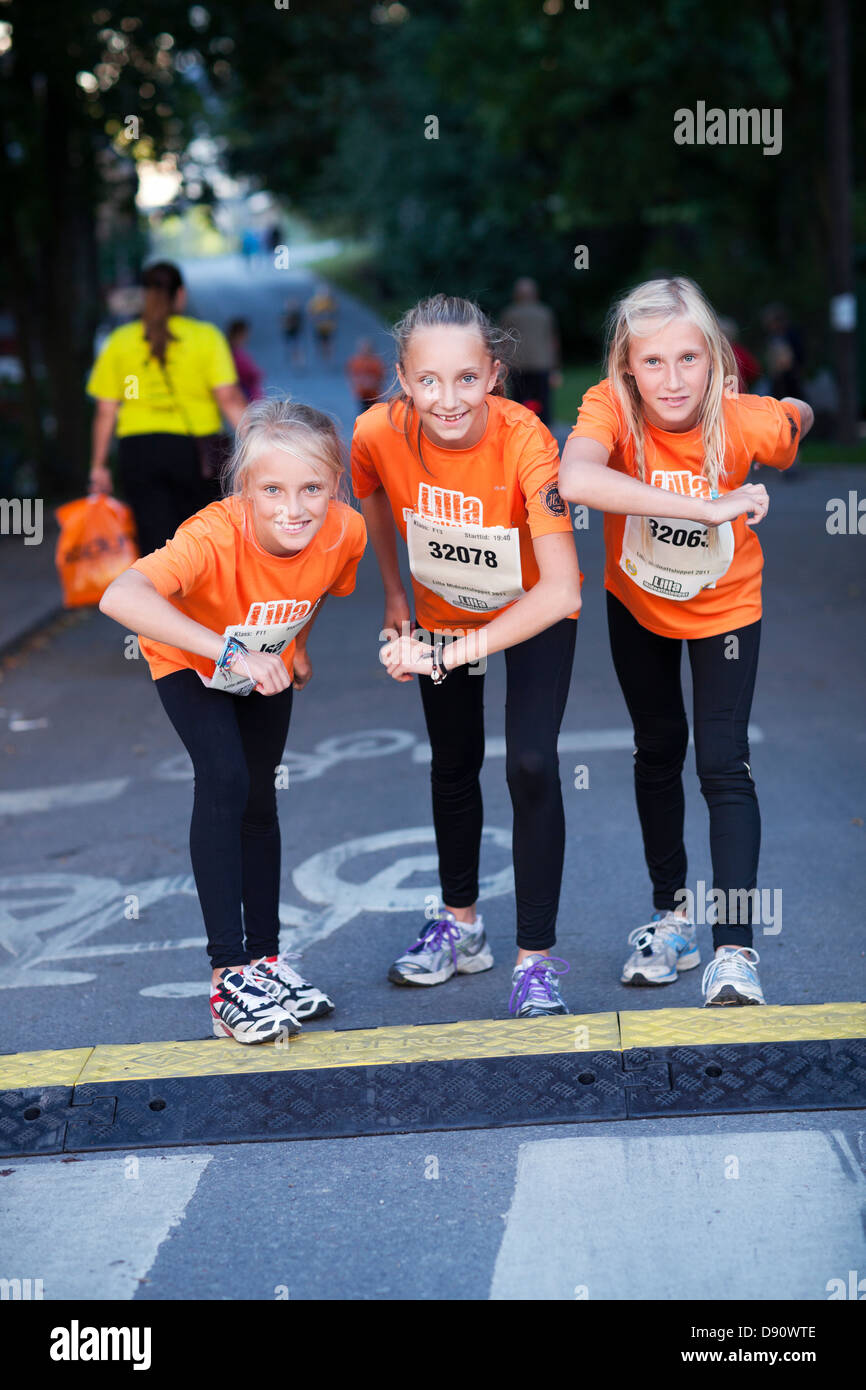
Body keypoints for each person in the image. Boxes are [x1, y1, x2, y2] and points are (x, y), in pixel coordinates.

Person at [559, 276, 813, 1006]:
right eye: (653, 362)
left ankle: (734, 951)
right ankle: (671, 918)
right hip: (637, 602)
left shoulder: (741, 419)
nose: (672, 381)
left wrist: (789, 410)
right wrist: (706, 508)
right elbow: (577, 479)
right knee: (657, 749)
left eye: (689, 360)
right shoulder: (610, 409)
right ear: (626, 367)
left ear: (719, 364)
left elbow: (795, 420)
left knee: (723, 766)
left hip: (726, 609)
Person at [98, 399, 367, 1043]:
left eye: (312, 488)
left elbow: (317, 590)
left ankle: (267, 963)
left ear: (337, 486)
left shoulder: (345, 532)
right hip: (191, 660)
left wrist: (294, 649)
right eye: (272, 489)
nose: (293, 507)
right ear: (244, 489)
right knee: (223, 779)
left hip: (266, 657)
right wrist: (230, 650)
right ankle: (228, 980)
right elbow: (120, 595)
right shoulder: (210, 535)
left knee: (259, 799)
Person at [351, 294, 582, 1018]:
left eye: (465, 379)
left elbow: (564, 587)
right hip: (444, 610)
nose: (446, 400)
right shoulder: (375, 432)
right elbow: (374, 498)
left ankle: (536, 961)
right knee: (454, 762)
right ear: (401, 378)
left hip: (533, 611)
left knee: (532, 762)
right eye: (427, 381)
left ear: (494, 376)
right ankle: (462, 925)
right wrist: (394, 594)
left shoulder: (527, 441)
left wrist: (459, 653)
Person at [87, 262, 247, 555]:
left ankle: (160, 600)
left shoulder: (120, 342)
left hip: (138, 451)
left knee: (154, 545)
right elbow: (230, 399)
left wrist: (98, 467)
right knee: (201, 540)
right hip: (195, 453)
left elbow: (106, 411)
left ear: (144, 296)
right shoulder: (206, 337)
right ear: (181, 295)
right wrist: (260, 445)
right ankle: (196, 600)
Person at [500, 277, 561, 427]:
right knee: (543, 402)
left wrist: (502, 364)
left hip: (517, 364)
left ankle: (520, 428)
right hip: (541, 363)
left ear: (516, 295)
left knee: (518, 401)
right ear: (535, 294)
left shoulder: (509, 313)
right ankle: (545, 430)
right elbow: (552, 341)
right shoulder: (545, 313)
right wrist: (555, 367)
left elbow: (504, 341)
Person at [227, 319, 265, 402]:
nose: (246, 337)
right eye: (244, 334)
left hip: (248, 398)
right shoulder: (232, 354)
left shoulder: (236, 352)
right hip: (244, 399)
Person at [346, 337, 388, 413]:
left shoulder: (376, 363)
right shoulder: (355, 362)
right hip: (361, 394)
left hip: (374, 395)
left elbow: (381, 378)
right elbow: (351, 377)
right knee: (363, 413)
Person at [308, 285, 339, 364]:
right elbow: (310, 312)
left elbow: (335, 312)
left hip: (329, 326)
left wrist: (331, 317)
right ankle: (322, 355)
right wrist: (315, 318)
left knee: (329, 342)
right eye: (323, 292)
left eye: (326, 292)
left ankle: (329, 358)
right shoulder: (315, 301)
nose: (325, 294)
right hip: (319, 326)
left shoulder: (330, 301)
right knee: (321, 341)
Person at [282, 295, 305, 368]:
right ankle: (295, 361)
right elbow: (283, 324)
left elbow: (300, 324)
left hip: (296, 333)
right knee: (292, 347)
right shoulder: (285, 314)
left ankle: (298, 362)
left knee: (296, 348)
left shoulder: (297, 314)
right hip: (289, 333)